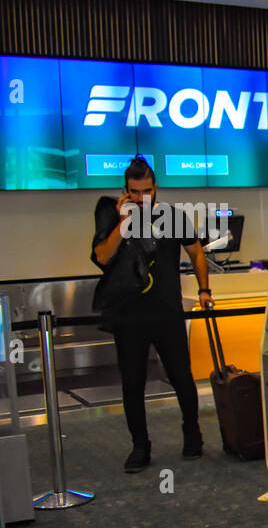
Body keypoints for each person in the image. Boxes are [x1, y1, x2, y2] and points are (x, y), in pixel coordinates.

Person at [90, 155, 212, 473]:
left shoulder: (173, 216)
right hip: (128, 315)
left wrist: (204, 290)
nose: (143, 198)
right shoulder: (110, 215)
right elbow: (102, 257)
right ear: (126, 191)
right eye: (135, 192)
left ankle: (192, 432)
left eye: (147, 192)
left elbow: (196, 250)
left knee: (182, 377)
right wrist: (122, 221)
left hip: (167, 311)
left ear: (156, 187)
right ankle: (140, 446)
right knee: (132, 384)